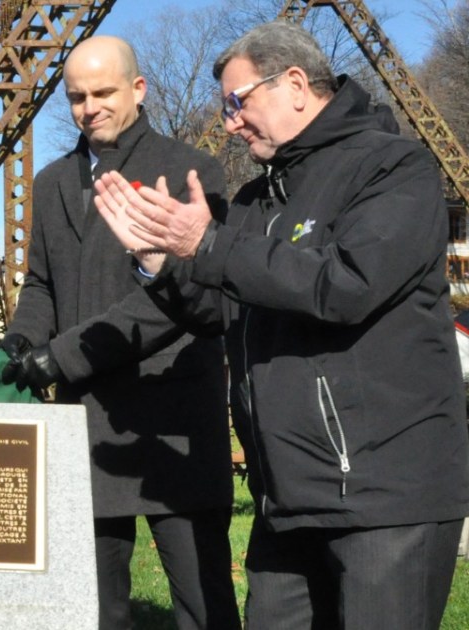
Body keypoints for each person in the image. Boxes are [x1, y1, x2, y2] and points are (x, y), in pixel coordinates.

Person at [95, 21, 469, 629]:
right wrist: (160, 262)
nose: (229, 123)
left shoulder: (393, 168)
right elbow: (219, 311)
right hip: (288, 500)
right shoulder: (254, 201)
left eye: (236, 103)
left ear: (295, 83)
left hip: (384, 498)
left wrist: (209, 245)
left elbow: (346, 285)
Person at [0, 36, 239, 630]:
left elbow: (178, 301)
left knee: (202, 603)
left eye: (103, 92)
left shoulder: (191, 169)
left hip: (172, 413)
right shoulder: (53, 181)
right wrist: (22, 339)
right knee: (97, 605)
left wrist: (64, 356)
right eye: (77, 96)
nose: (89, 107)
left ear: (138, 88)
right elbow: (42, 284)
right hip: (89, 418)